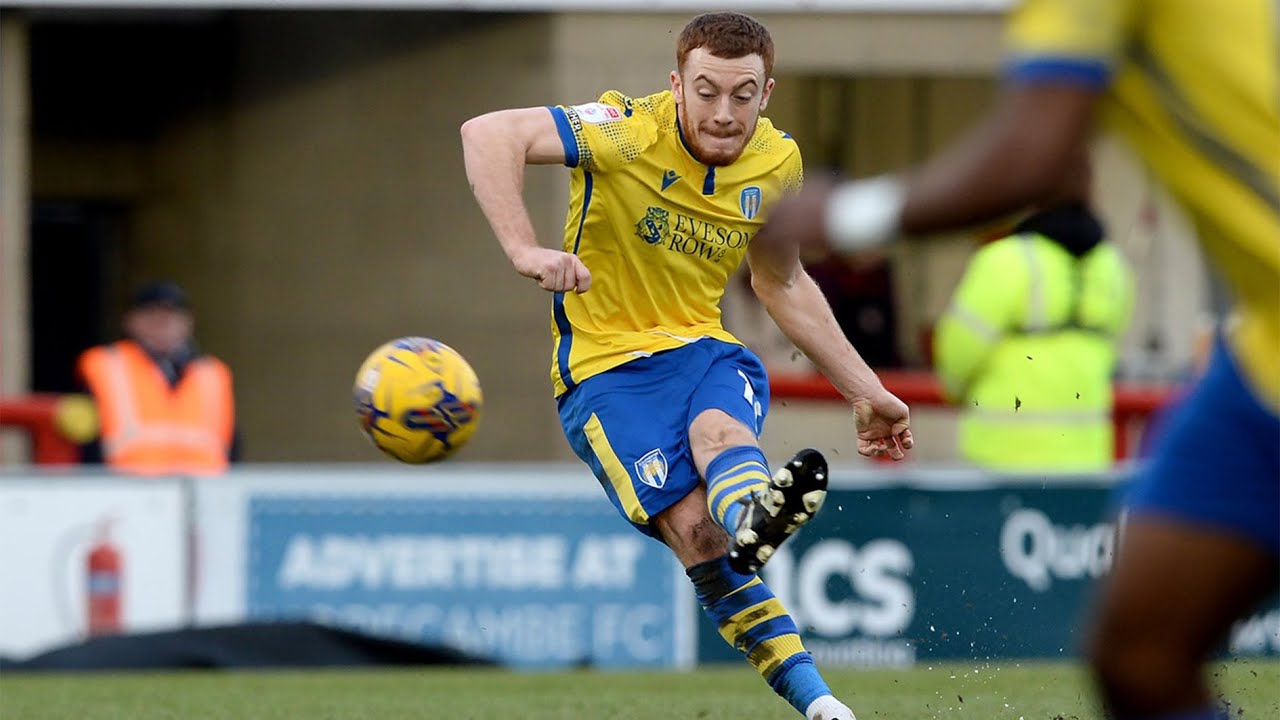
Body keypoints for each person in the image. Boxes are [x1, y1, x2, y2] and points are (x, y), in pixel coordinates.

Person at [757, 2, 1278, 719]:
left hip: (1003, 441)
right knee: (1137, 655)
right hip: (1171, 401)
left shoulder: (1006, 261)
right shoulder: (1111, 269)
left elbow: (1025, 152)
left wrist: (843, 213)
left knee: (1122, 649)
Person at [461, 12, 912, 720]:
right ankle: (818, 700)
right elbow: (488, 133)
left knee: (722, 438)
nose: (723, 113)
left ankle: (756, 517)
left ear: (767, 95)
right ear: (676, 86)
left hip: (703, 350)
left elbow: (781, 283)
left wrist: (868, 392)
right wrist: (525, 250)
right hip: (605, 374)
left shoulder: (778, 162)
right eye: (706, 92)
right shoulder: (623, 131)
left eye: (742, 95)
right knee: (698, 536)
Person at [932, 159, 1135, 471]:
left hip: (999, 459)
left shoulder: (1004, 261)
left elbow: (955, 359)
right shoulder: (1113, 266)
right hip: (1086, 460)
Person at [76, 280, 237, 476]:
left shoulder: (213, 374)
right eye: (151, 316)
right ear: (130, 321)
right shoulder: (106, 367)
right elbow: (85, 443)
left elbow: (232, 444)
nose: (162, 325)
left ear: (188, 322)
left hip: (203, 493)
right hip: (128, 492)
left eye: (170, 317)